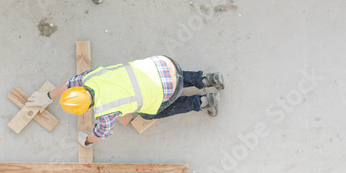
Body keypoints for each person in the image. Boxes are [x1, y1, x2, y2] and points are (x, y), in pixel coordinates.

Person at [27, 56, 225, 146]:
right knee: (167, 77)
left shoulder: (105, 111)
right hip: (164, 63)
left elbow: (102, 133)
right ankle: (207, 79)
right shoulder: (89, 79)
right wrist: (48, 96)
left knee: (151, 112)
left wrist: (86, 141)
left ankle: (202, 101)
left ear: (86, 108)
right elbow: (68, 84)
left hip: (167, 89)